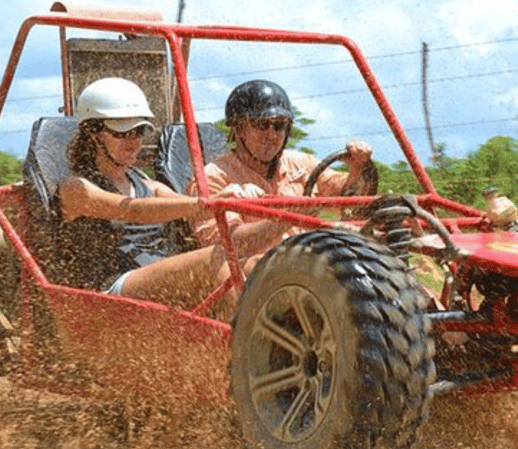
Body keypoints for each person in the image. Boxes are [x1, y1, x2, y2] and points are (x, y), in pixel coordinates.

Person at [51, 76, 259, 307]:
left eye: (139, 131)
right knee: (217, 258)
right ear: (94, 134)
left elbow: (197, 209)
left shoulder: (147, 185)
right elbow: (134, 211)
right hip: (106, 293)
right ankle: (240, 331)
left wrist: (237, 197)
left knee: (256, 264)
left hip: (154, 276)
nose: (133, 142)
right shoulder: (76, 188)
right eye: (122, 133)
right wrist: (204, 203)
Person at [190, 79, 374, 248]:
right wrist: (287, 217)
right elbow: (226, 245)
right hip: (255, 270)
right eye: (261, 125)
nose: (271, 135)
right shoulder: (212, 178)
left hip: (307, 261)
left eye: (279, 126)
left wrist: (359, 168)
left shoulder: (301, 164)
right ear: (239, 128)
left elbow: (347, 196)